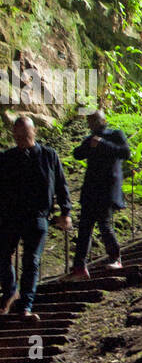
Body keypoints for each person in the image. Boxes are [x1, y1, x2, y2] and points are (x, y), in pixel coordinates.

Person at [0, 115, 72, 321]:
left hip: (37, 216)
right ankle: (10, 292)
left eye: (25, 133)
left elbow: (61, 185)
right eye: (17, 134)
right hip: (9, 217)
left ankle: (26, 305)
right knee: (3, 256)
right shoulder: (6, 158)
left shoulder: (49, 156)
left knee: (31, 260)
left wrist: (65, 211)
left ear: (34, 132)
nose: (21, 138)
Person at [69, 109, 131, 278]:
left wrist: (102, 143)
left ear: (103, 120)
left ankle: (116, 258)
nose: (92, 124)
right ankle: (79, 267)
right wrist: (89, 145)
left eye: (95, 120)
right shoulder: (90, 139)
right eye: (89, 121)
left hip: (107, 189)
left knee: (104, 224)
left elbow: (125, 152)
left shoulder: (115, 134)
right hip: (90, 190)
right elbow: (77, 154)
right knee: (84, 228)